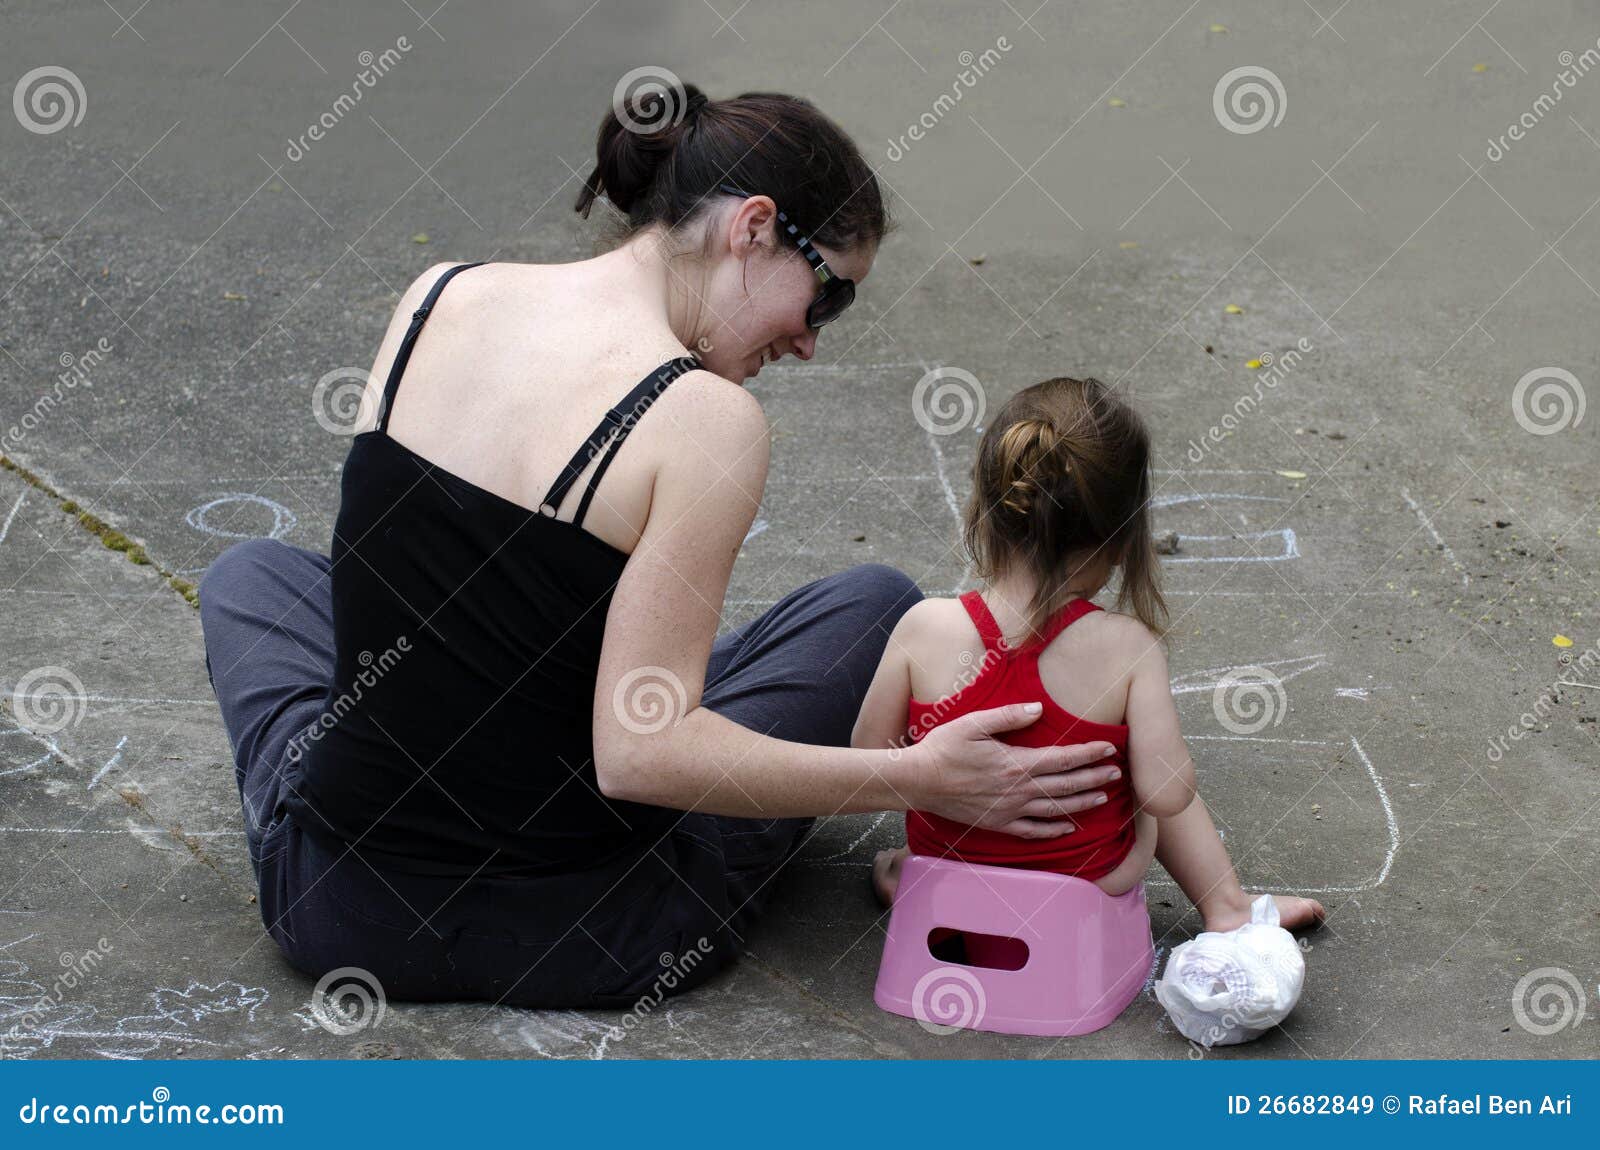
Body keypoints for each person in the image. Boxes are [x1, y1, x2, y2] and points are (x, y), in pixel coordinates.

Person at [198, 85, 1124, 1009]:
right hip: (588, 930)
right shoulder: (704, 419)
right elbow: (639, 759)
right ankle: (651, 701)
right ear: (754, 228)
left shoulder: (440, 296)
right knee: (874, 607)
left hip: (335, 907)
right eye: (827, 296)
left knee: (254, 575)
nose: (807, 341)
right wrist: (916, 777)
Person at [854, 377, 1325, 937]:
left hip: (950, 879)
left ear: (986, 510)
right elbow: (1169, 794)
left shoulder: (923, 625)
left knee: (910, 847)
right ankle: (1228, 906)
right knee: (1149, 769)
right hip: (1084, 885)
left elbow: (866, 763)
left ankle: (917, 877)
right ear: (1124, 539)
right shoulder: (1127, 645)